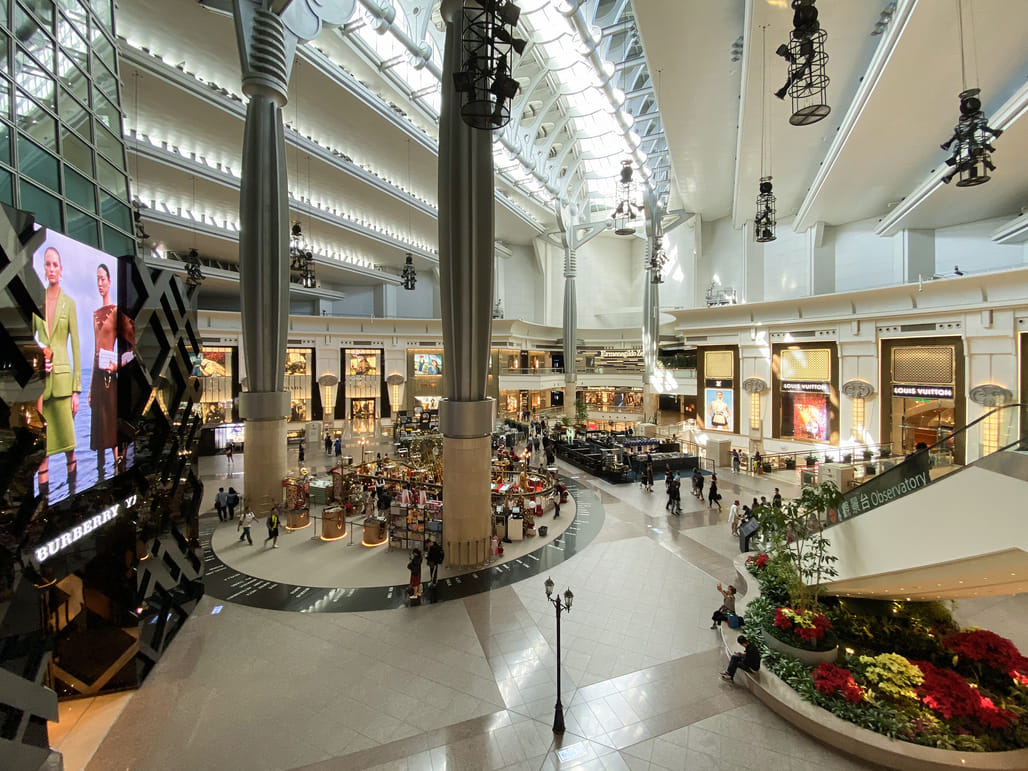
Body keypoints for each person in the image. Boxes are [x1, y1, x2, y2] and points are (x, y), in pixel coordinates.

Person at [34, 246, 81, 495]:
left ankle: (73, 493)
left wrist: (76, 390)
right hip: (42, 383)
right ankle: (44, 504)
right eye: (48, 264)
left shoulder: (69, 304)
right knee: (43, 448)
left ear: (60, 270)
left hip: (63, 382)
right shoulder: (36, 303)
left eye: (55, 264)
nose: (51, 268)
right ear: (44, 268)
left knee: (69, 446)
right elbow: (31, 339)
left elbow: (75, 347)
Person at [89, 263, 134, 477]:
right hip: (98, 378)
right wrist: (89, 389)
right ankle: (100, 475)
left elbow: (133, 348)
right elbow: (94, 351)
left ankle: (118, 471)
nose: (100, 283)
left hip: (110, 378)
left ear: (109, 281)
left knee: (111, 429)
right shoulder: (96, 313)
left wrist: (118, 363)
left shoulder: (117, 313)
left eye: (103, 279)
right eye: (97, 279)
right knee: (98, 434)